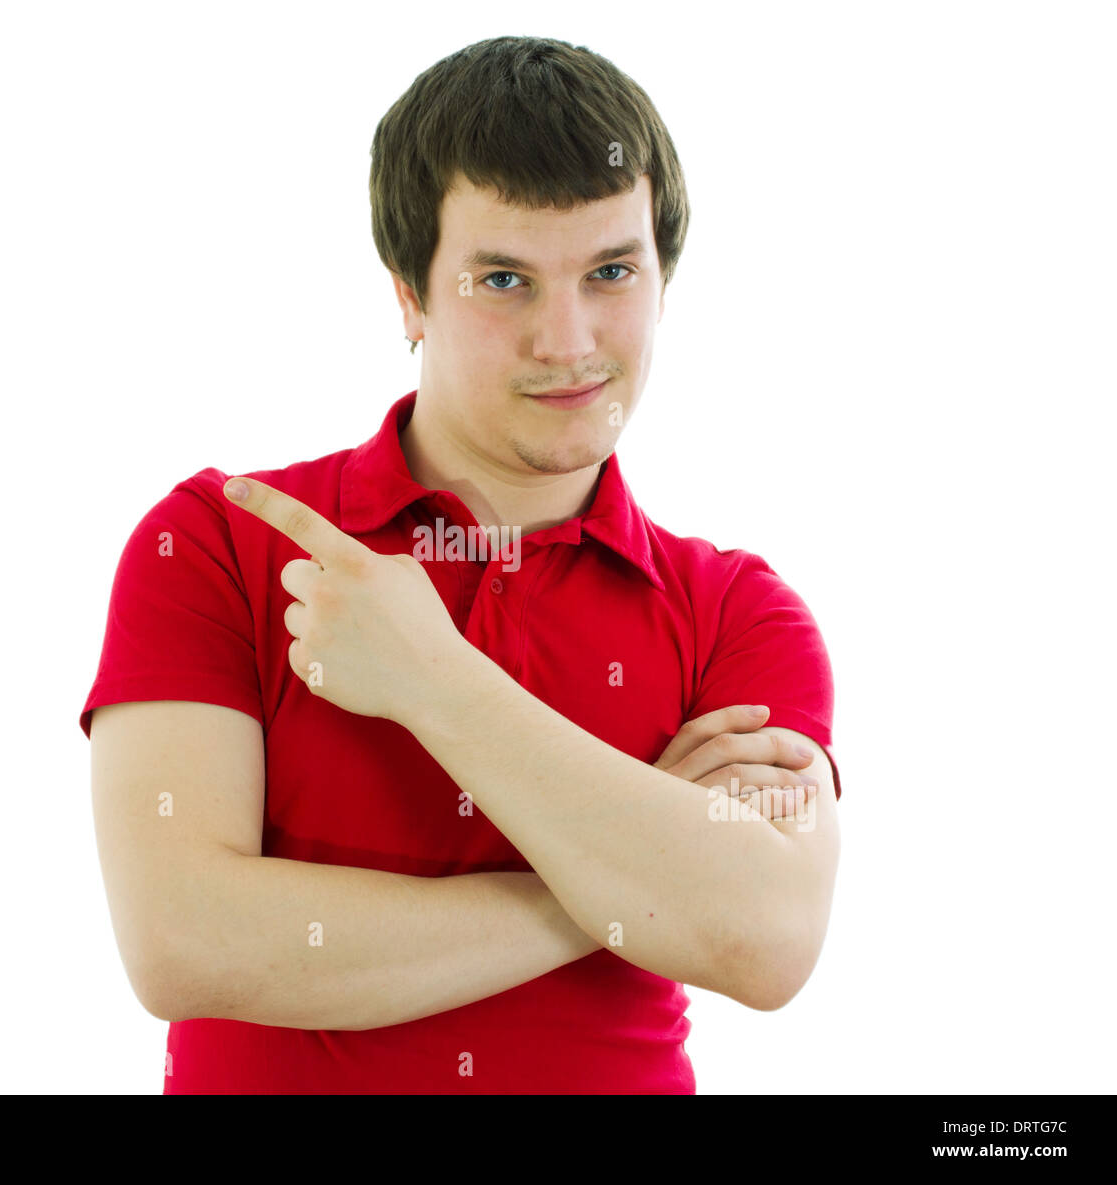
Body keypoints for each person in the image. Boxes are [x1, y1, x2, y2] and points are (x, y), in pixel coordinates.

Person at [81, 34, 841, 1095]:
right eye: (503, 280)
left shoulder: (739, 614)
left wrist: (430, 680)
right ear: (409, 295)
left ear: (663, 276)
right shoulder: (220, 540)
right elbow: (185, 941)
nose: (567, 341)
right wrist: (626, 876)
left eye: (610, 271)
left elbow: (764, 940)